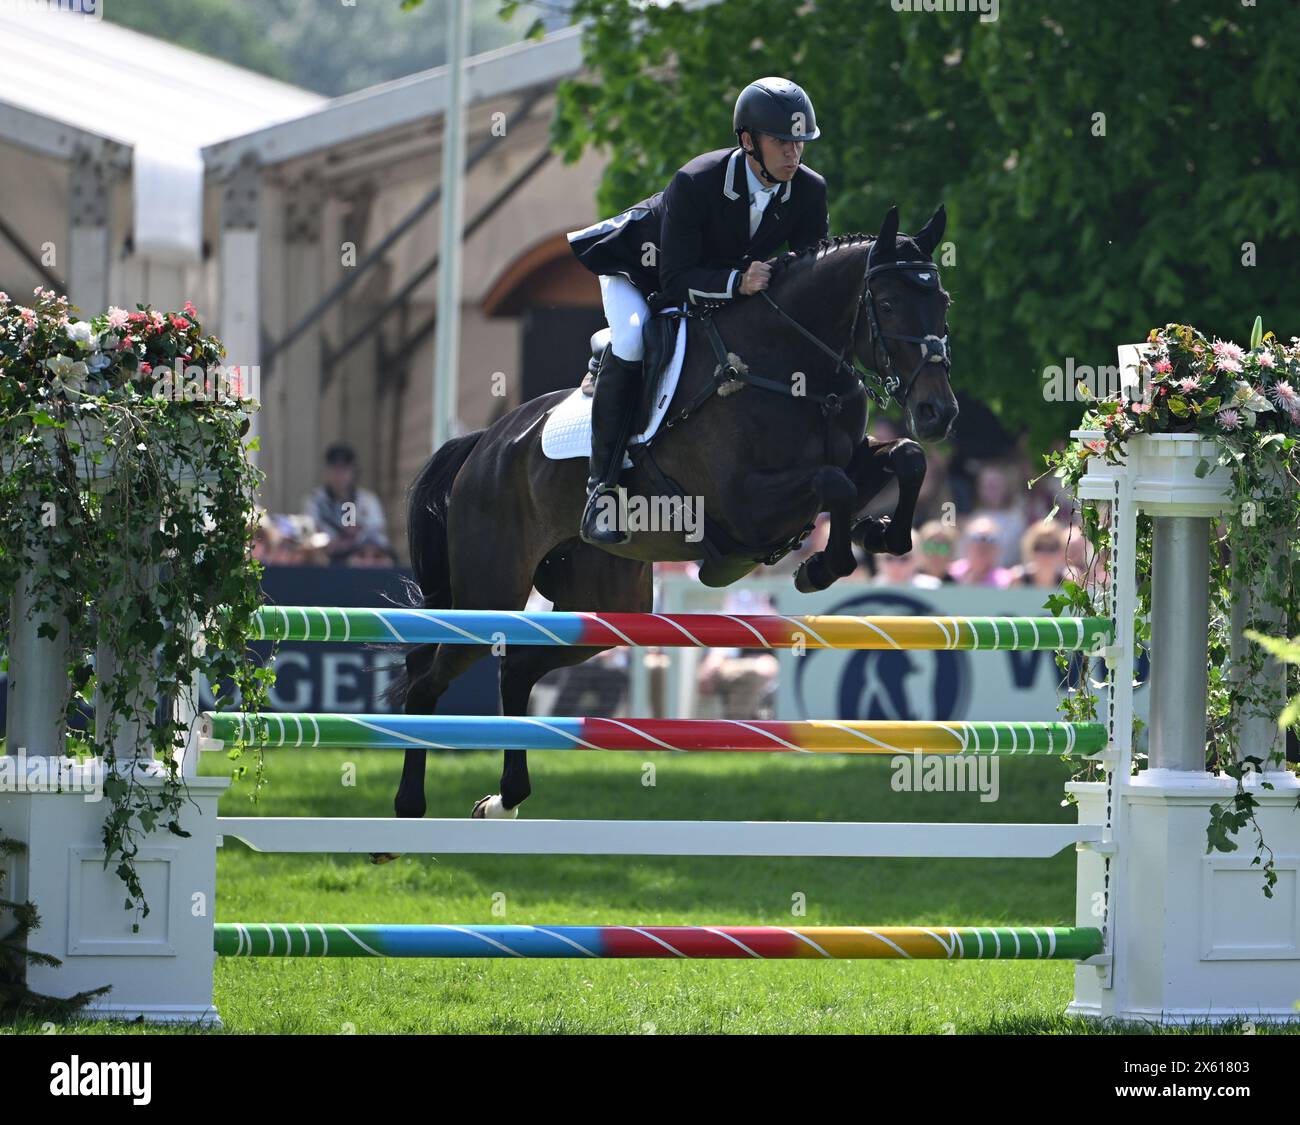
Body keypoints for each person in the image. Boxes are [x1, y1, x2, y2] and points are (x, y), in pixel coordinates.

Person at [566, 76, 829, 546]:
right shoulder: (697, 181)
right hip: (640, 272)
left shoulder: (808, 190)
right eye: (781, 142)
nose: (793, 154)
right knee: (630, 336)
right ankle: (601, 490)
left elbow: (806, 271)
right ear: (748, 141)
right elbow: (674, 283)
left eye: (799, 143)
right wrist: (737, 282)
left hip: (709, 279)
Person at [302, 443, 388, 565]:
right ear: (327, 471)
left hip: (359, 564)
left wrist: (357, 537)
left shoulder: (368, 501)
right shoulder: (314, 501)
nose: (339, 475)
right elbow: (308, 538)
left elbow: (379, 539)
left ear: (353, 471)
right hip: (325, 563)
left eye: (344, 469)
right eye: (335, 469)